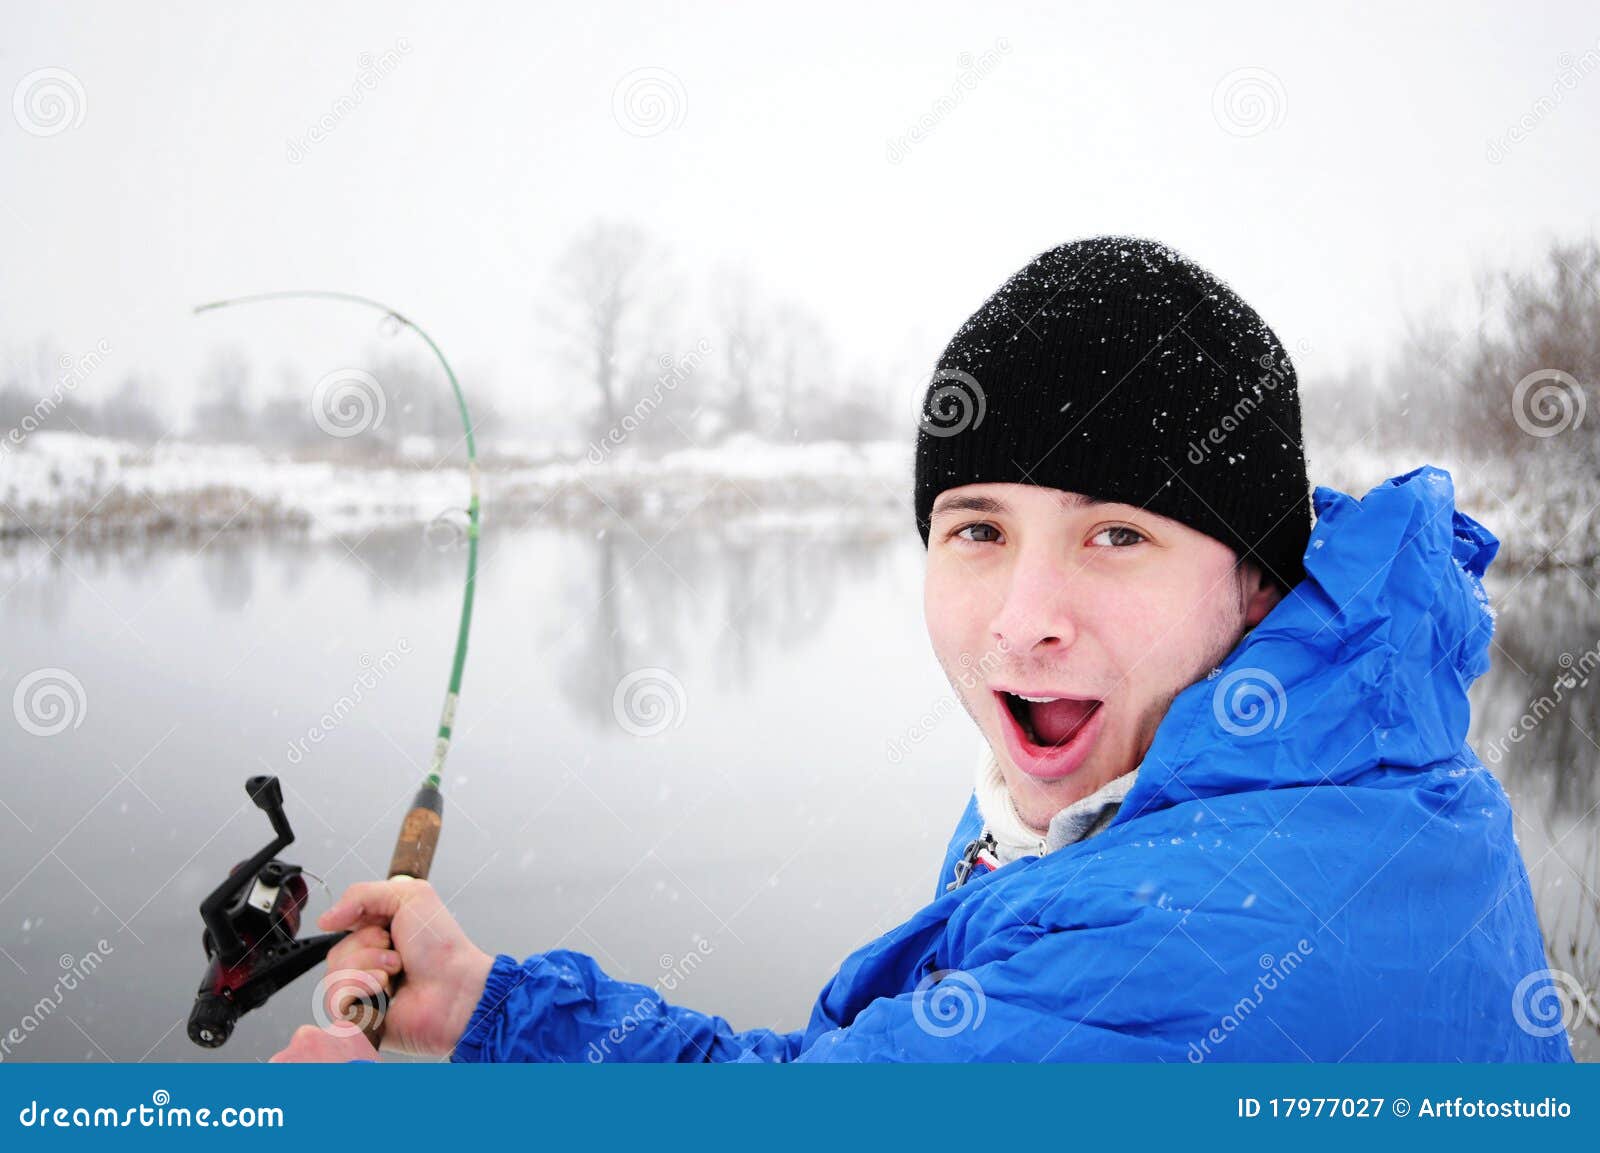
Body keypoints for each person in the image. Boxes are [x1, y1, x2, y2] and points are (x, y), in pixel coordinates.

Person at [273, 237, 1572, 1063]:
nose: (1023, 615)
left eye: (1117, 534)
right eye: (977, 528)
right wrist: (497, 1013)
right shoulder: (1315, 784)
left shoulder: (1189, 954)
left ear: (1257, 580)